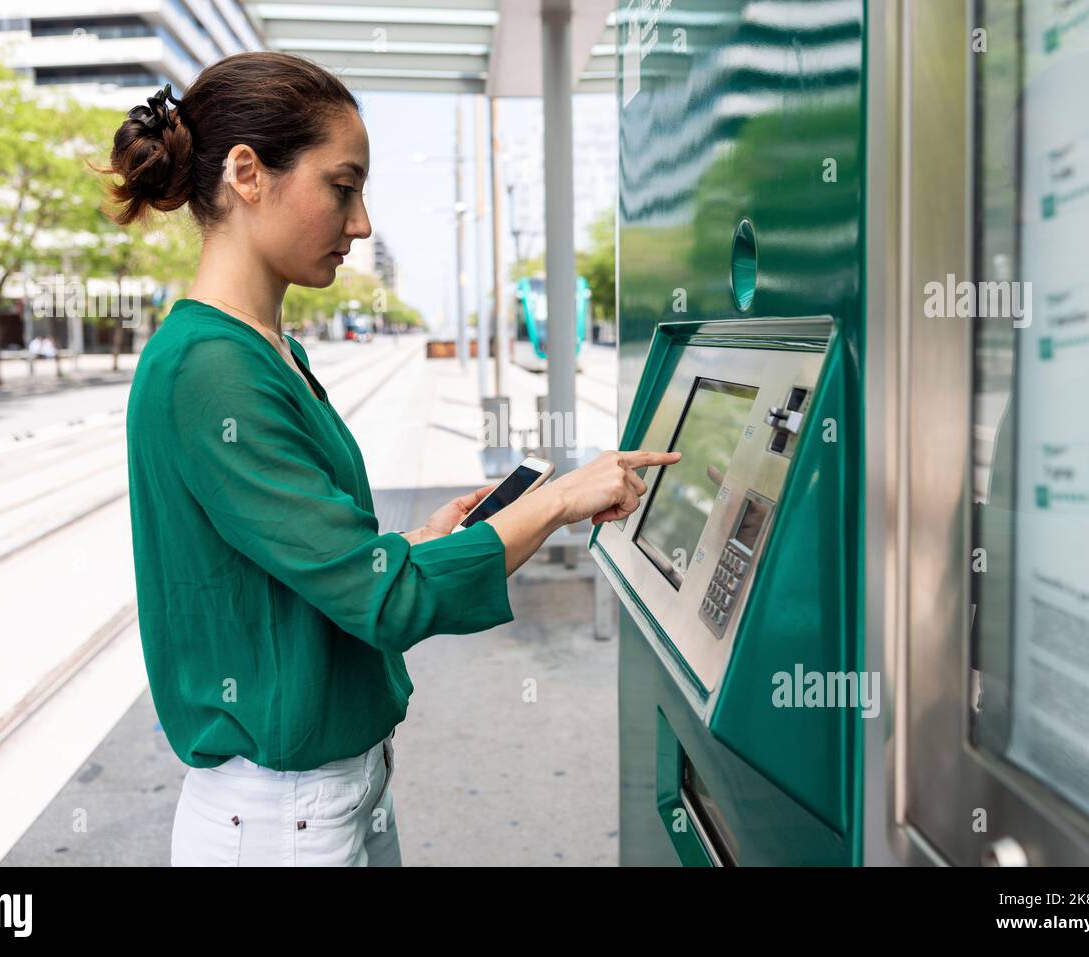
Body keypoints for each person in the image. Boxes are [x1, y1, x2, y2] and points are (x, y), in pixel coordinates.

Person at [99, 52, 678, 867]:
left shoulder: (266, 349)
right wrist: (556, 500)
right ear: (246, 174)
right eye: (343, 186)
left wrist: (425, 544)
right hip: (280, 820)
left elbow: (317, 572)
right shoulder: (210, 367)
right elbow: (385, 600)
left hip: (326, 797)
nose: (362, 222)